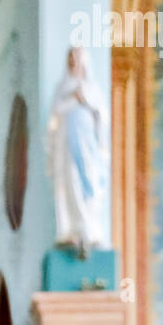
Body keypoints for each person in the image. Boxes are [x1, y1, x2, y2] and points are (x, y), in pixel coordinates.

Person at [46, 47, 109, 257]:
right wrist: (73, 98)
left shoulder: (92, 88)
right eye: (71, 59)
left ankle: (89, 231)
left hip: (87, 145)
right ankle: (70, 231)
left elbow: (101, 116)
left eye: (78, 59)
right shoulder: (62, 88)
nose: (74, 63)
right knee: (68, 184)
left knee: (88, 183)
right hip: (66, 147)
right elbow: (55, 115)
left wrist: (84, 99)